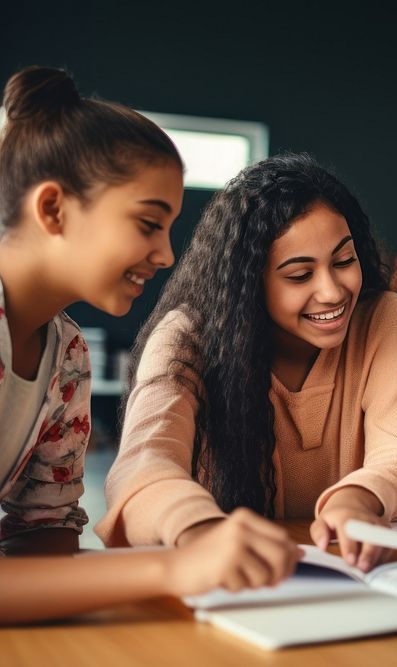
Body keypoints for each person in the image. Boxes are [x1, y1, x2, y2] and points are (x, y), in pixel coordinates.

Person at [0, 66, 300, 624]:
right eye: (147, 223)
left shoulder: (67, 355)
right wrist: (171, 568)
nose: (166, 255)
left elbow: (43, 535)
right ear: (53, 209)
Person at [96, 153, 397, 572]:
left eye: (343, 261)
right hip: (228, 576)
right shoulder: (186, 339)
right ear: (248, 283)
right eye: (299, 275)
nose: (332, 291)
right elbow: (143, 465)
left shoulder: (383, 319)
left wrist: (359, 499)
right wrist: (199, 529)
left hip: (352, 571)